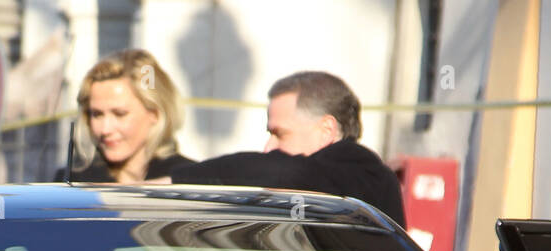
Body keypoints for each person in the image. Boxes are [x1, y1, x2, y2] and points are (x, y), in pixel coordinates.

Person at [169, 71, 406, 226]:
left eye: (279, 134)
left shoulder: (360, 171)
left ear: (326, 130)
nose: (268, 148)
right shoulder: (334, 182)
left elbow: (281, 172)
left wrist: (173, 182)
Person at [60, 49, 192, 183]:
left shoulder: (189, 180)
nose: (106, 129)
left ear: (154, 113)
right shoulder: (72, 181)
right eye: (97, 114)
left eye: (119, 114)